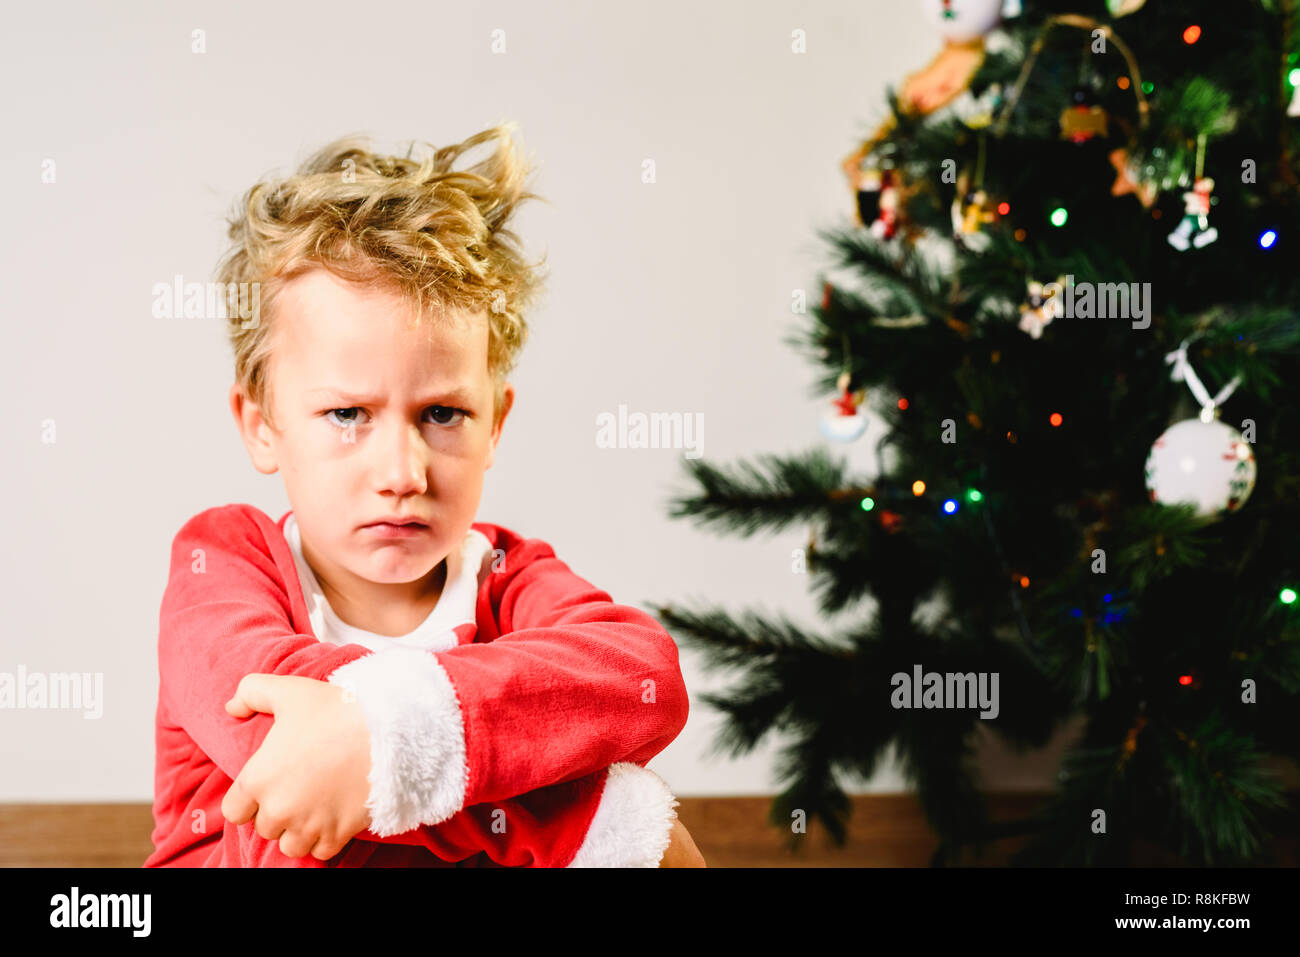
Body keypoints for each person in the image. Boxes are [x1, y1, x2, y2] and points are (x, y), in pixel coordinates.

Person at [144, 124, 705, 868]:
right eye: (348, 415)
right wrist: (570, 796)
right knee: (305, 810)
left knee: (648, 830)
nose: (403, 471)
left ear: (495, 423)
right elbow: (294, 750)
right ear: (261, 424)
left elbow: (642, 679)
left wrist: (405, 734)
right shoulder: (226, 563)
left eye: (442, 414)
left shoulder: (506, 575)